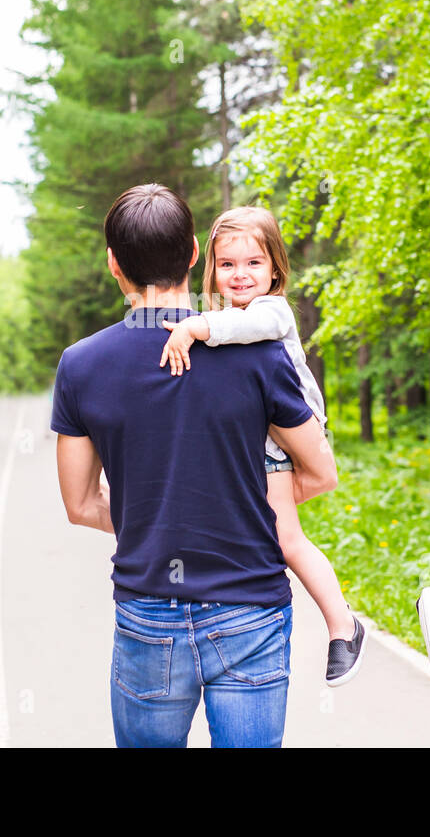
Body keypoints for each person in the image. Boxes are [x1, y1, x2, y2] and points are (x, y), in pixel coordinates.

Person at [50, 183, 338, 748]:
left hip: (148, 610)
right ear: (192, 254)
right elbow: (321, 470)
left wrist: (156, 513)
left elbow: (81, 505)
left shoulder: (81, 366)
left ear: (113, 264)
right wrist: (235, 506)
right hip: (249, 607)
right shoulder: (257, 351)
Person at [157, 205, 366, 686]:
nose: (240, 274)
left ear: (275, 268)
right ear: (211, 268)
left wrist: (193, 328)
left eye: (253, 263)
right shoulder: (225, 314)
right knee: (268, 528)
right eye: (227, 264)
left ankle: (343, 625)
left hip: (287, 432)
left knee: (287, 539)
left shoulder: (270, 311)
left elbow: (244, 330)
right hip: (257, 438)